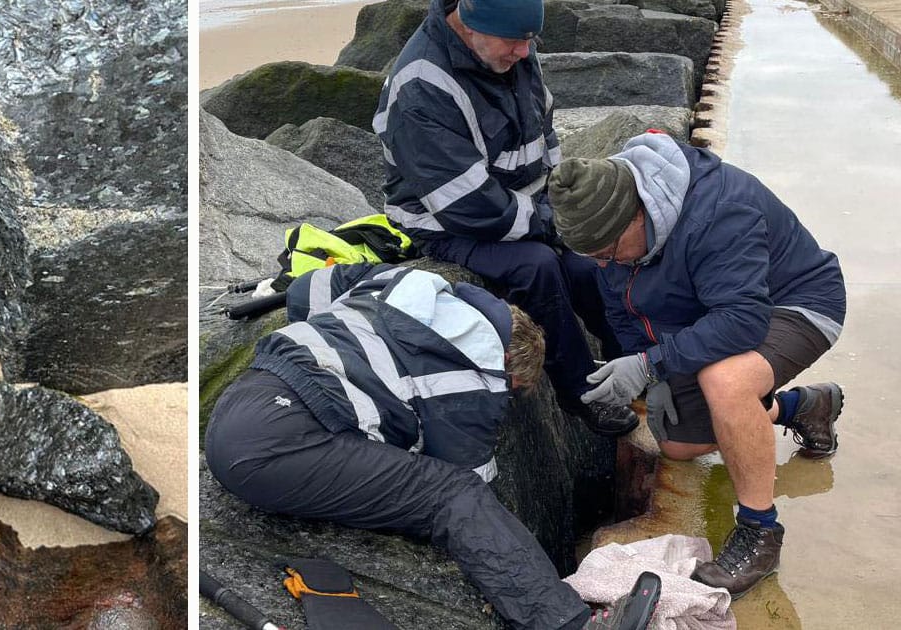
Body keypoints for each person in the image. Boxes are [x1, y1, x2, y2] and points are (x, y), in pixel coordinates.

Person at [206, 262, 655, 630]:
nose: (506, 398)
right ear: (505, 362)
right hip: (275, 446)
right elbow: (463, 486)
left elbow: (310, 286)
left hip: (245, 401)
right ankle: (569, 625)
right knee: (453, 496)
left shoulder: (399, 283)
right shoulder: (477, 375)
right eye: (513, 388)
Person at [547, 131, 846, 599]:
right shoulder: (618, 234)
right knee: (681, 445)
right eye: (594, 258)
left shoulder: (717, 213)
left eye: (608, 251)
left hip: (798, 303)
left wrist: (652, 365)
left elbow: (741, 322)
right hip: (718, 310)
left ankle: (759, 532)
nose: (605, 265)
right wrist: (644, 367)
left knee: (724, 381)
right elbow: (625, 308)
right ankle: (799, 408)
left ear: (639, 213)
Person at [372, 0, 638, 437]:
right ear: (470, 23)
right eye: (514, 42)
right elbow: (468, 204)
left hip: (524, 205)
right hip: (445, 224)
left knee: (591, 267)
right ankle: (582, 395)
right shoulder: (422, 84)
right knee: (538, 268)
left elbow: (543, 129)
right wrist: (552, 225)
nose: (523, 52)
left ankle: (633, 364)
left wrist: (563, 201)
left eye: (529, 40)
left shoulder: (509, 47)